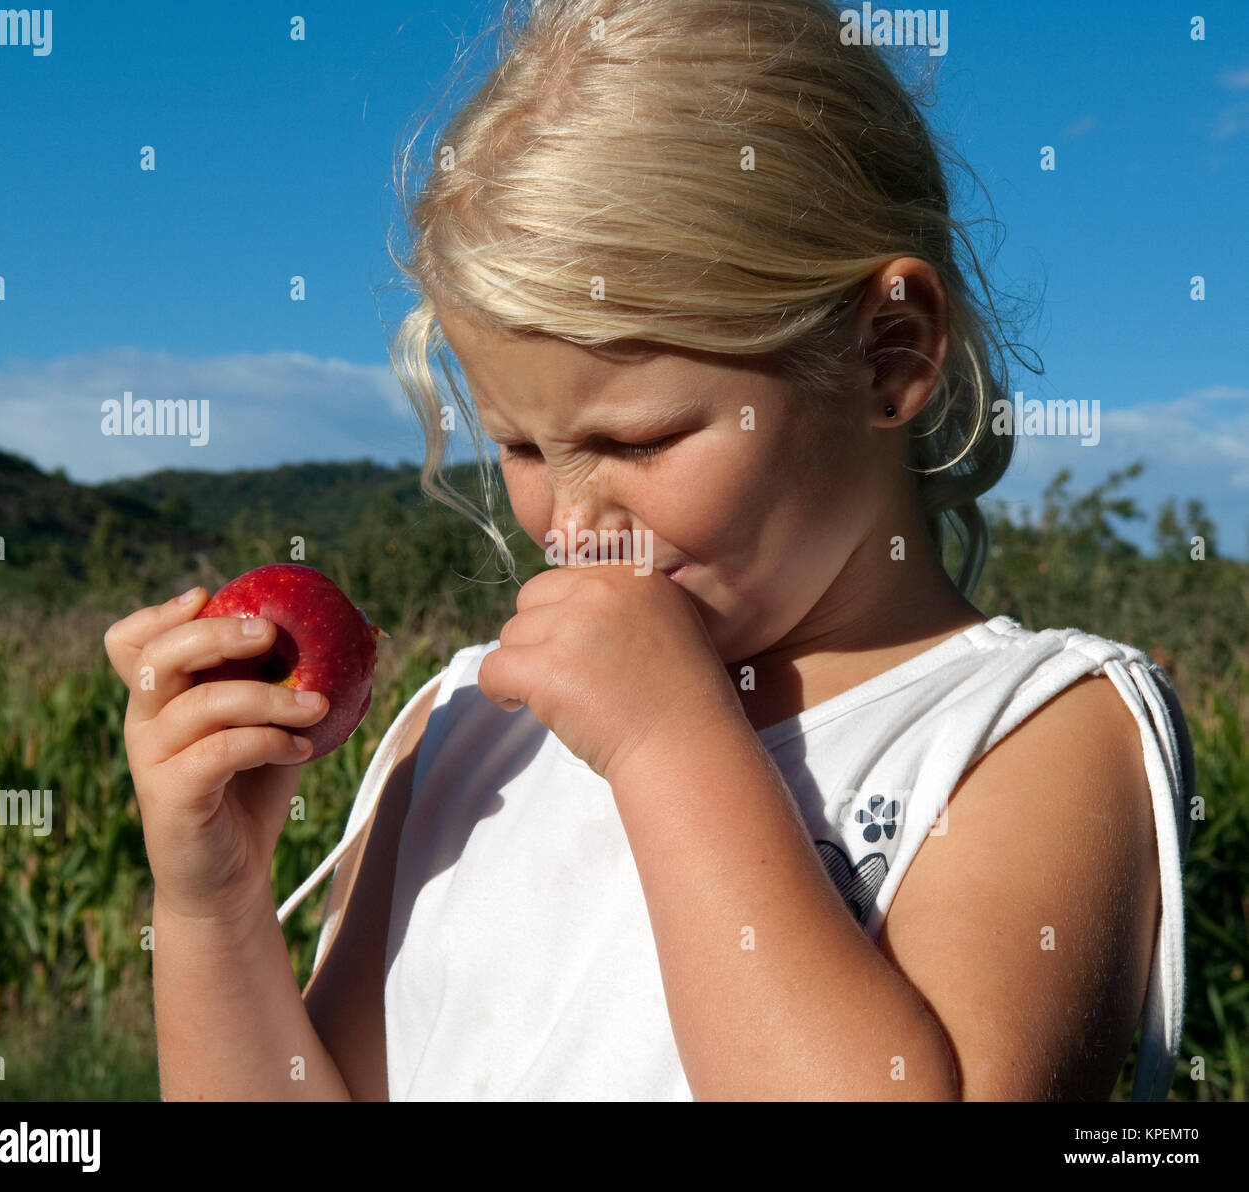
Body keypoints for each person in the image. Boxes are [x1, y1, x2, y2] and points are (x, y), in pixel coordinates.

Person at [105, 0, 1193, 1102]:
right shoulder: (463, 733)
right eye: (523, 447)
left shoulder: (1033, 731)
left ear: (888, 354)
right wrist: (214, 907)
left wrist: (670, 744)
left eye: (639, 438)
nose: (572, 525)